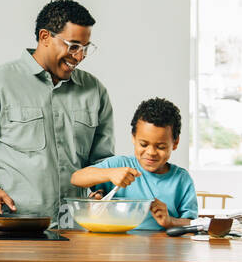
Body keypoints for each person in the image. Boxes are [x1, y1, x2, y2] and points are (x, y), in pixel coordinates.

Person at [0, 0, 115, 225]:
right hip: (13, 224)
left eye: (85, 48)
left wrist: (99, 192)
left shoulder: (95, 91)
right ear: (45, 37)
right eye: (73, 46)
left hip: (76, 226)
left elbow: (103, 162)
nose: (79, 56)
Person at [71, 96, 198, 231]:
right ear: (133, 138)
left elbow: (192, 223)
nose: (151, 152)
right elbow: (76, 178)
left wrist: (170, 221)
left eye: (160, 147)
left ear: (175, 142)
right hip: (118, 248)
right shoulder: (119, 165)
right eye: (143, 144)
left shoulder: (181, 179)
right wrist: (109, 174)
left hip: (162, 249)